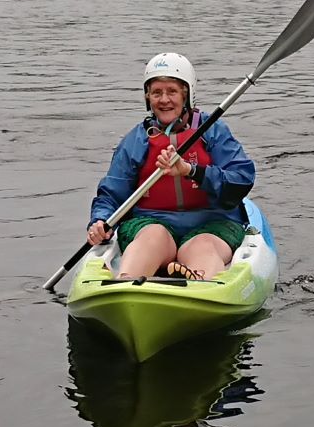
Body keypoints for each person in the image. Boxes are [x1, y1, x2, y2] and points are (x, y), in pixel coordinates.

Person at [86, 53, 255, 281]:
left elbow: (241, 179)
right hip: (150, 222)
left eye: (172, 92)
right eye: (157, 92)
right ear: (148, 98)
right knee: (152, 238)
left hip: (213, 223)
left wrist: (191, 171)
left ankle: (201, 283)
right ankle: (127, 285)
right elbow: (112, 194)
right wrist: (100, 221)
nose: (164, 99)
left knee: (201, 246)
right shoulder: (137, 141)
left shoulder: (213, 132)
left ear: (187, 95)